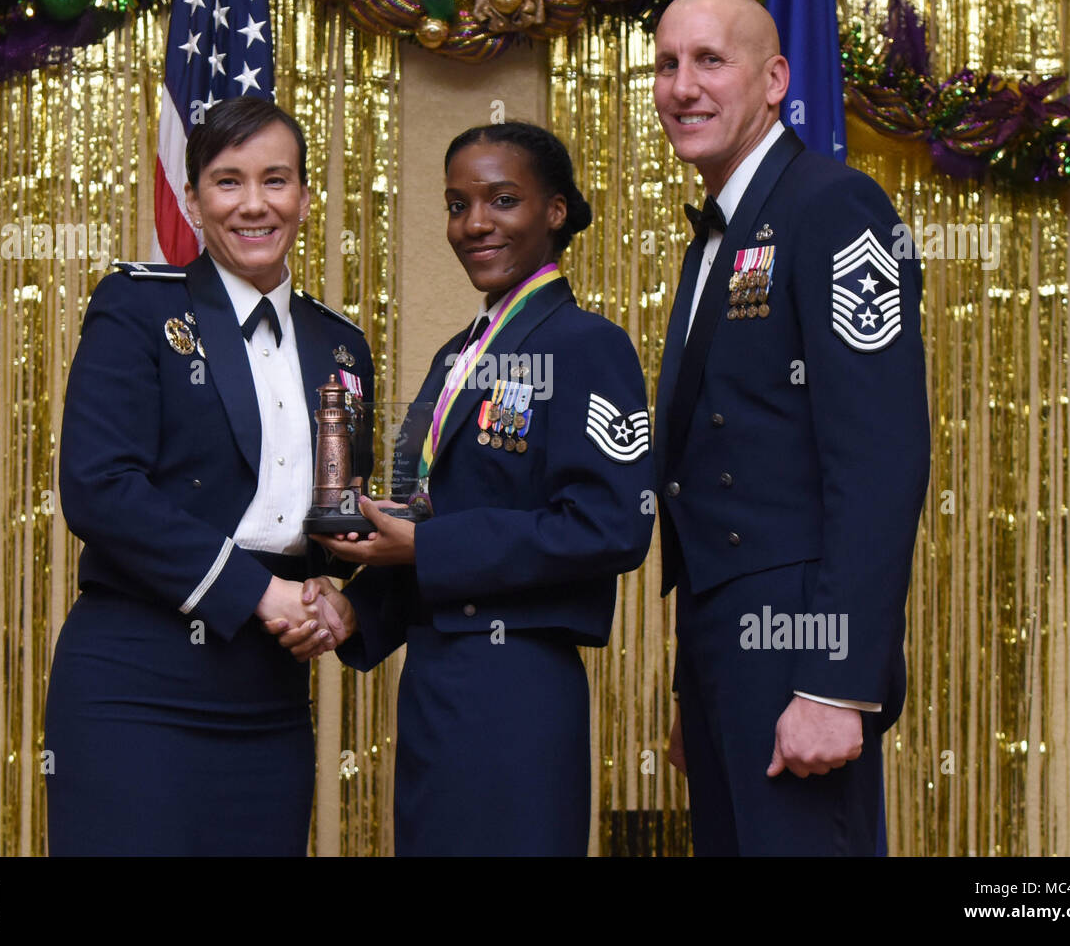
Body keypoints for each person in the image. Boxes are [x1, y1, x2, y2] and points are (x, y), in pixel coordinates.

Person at [272, 122, 654, 856]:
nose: (474, 223)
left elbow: (611, 525)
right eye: (457, 203)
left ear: (557, 210)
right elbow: (429, 522)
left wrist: (424, 541)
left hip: (518, 689)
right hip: (435, 680)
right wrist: (354, 611)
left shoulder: (587, 344)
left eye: (502, 199)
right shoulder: (458, 354)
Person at [44, 96, 375, 855]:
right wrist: (260, 591)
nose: (254, 203)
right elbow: (101, 486)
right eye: (228, 182)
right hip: (137, 681)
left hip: (270, 696)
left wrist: (333, 599)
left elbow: (336, 522)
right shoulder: (135, 306)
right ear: (192, 198)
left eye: (276, 180)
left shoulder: (341, 344)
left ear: (302, 194)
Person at [651, 0, 930, 856]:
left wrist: (836, 683)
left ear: (774, 80)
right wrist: (697, 679)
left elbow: (881, 457)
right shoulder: (720, 233)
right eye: (666, 64)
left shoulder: (834, 206)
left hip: (803, 643)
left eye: (709, 60)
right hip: (728, 653)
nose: (683, 86)